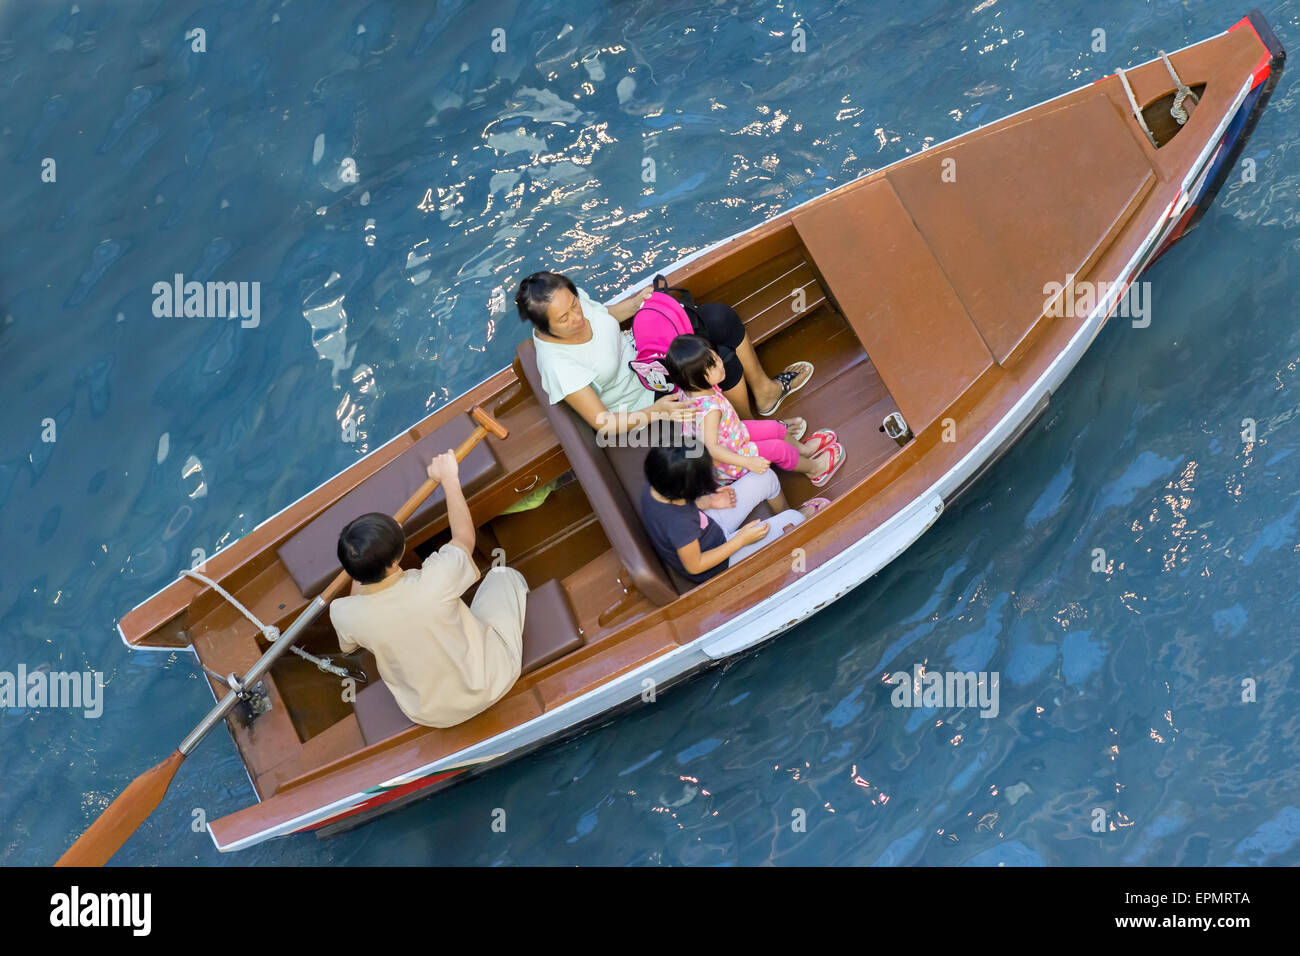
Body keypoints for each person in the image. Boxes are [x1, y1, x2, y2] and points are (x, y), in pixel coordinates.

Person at [329, 451, 528, 729]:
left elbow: (347, 644)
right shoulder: (437, 578)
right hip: (493, 681)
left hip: (431, 715)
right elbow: (463, 537)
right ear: (396, 557)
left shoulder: (343, 613)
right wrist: (449, 479)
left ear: (352, 571)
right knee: (502, 574)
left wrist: (361, 560)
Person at [515, 271, 813, 434]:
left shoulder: (573, 304)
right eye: (564, 319)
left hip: (648, 358)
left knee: (718, 318)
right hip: (647, 399)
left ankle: (765, 393)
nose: (576, 318)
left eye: (575, 306)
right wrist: (656, 411)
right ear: (543, 327)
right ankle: (751, 431)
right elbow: (602, 422)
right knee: (721, 361)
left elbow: (604, 314)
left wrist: (637, 303)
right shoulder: (559, 365)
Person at [664, 334, 844, 489]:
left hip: (734, 434)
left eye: (715, 356)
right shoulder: (710, 411)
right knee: (778, 449)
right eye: (712, 366)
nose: (720, 363)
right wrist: (747, 462)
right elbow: (711, 449)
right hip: (731, 460)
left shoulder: (689, 390)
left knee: (775, 428)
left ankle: (803, 451)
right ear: (695, 379)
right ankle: (814, 469)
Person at [640, 441, 825, 585]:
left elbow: (685, 504)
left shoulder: (658, 483)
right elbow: (695, 565)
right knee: (796, 518)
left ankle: (785, 516)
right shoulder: (679, 524)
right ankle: (795, 521)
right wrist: (740, 541)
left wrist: (708, 501)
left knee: (765, 477)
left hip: (708, 526)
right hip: (717, 561)